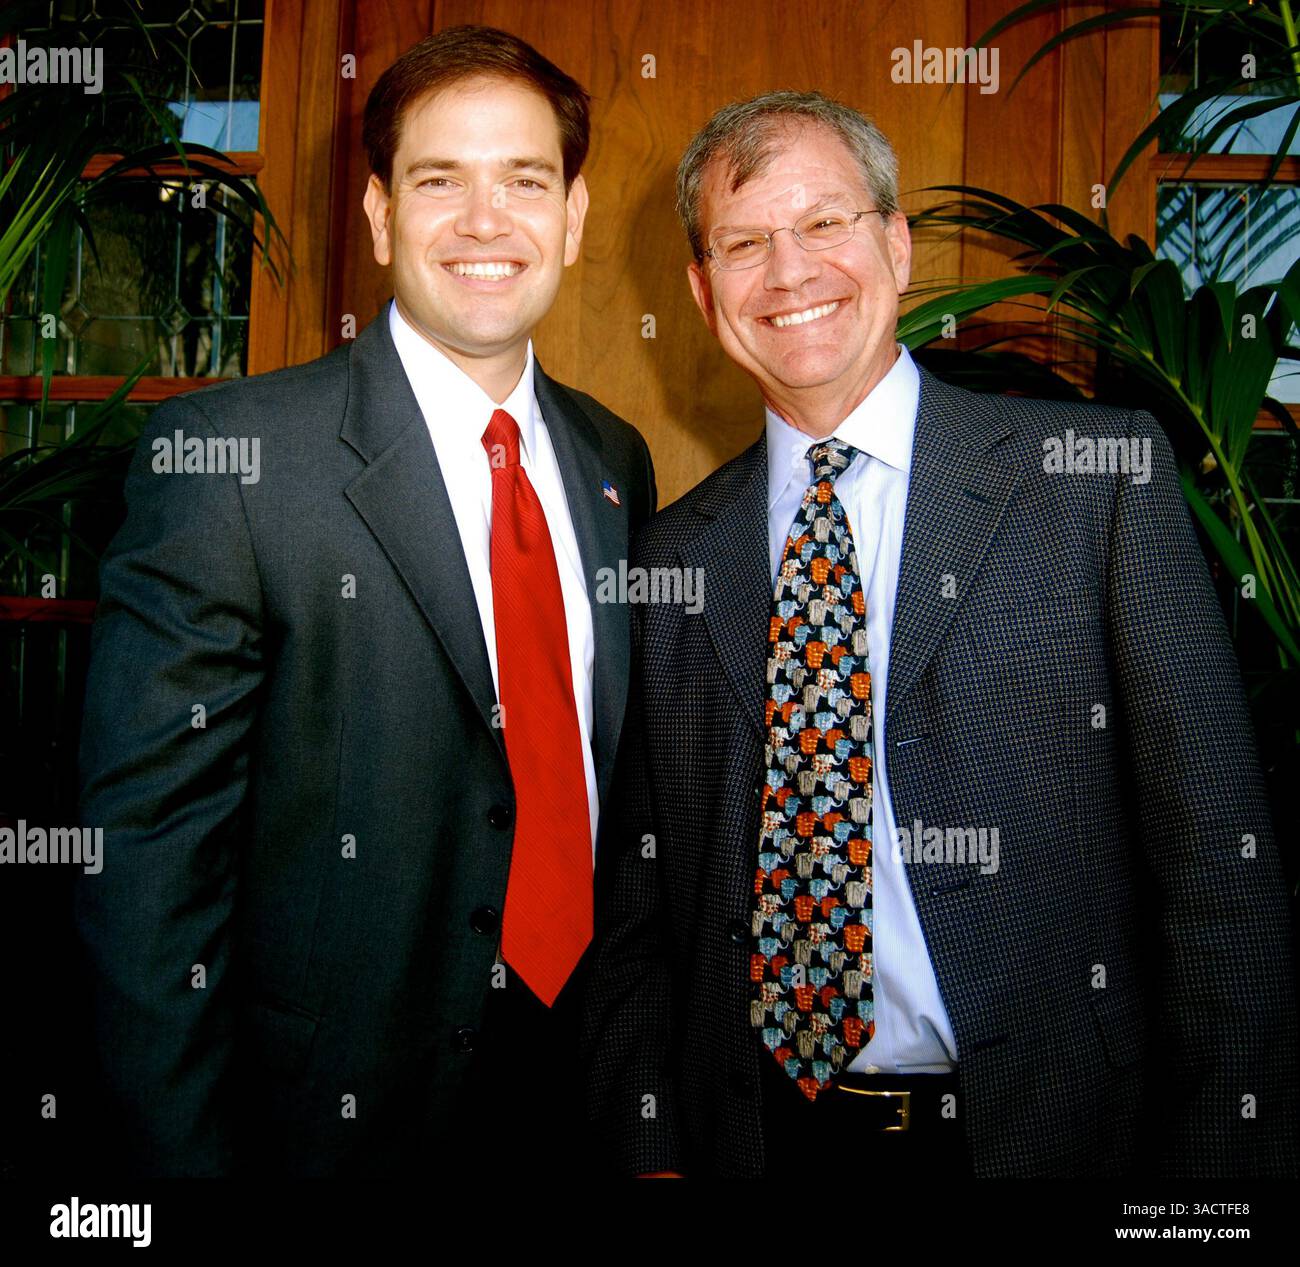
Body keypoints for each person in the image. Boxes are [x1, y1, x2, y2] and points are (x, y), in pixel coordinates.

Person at [580, 90, 1297, 1179]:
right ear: (699, 289)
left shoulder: (1095, 482)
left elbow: (1220, 874)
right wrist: (649, 1147)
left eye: (825, 223)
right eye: (744, 243)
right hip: (765, 1142)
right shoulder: (671, 554)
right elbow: (639, 905)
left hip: (1051, 1137)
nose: (789, 273)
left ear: (896, 245)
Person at [74, 24, 655, 1178]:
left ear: (574, 217)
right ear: (383, 216)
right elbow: (143, 865)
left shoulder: (614, 460)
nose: (486, 222)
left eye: (525, 181)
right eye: (441, 180)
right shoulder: (231, 461)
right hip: (326, 1117)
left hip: (576, 1096)